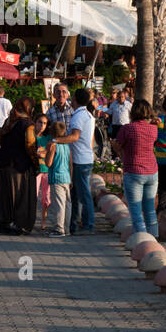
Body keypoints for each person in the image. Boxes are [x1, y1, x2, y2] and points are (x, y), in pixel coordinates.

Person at [0, 96, 39, 235]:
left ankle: (5, 222)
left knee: (5, 194)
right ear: (29, 108)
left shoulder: (8, 122)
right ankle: (20, 224)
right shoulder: (28, 124)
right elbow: (30, 145)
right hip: (20, 166)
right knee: (19, 195)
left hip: (5, 163)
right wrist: (35, 162)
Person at [53, 87, 96, 234]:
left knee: (83, 194)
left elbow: (75, 136)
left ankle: (89, 225)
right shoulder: (88, 115)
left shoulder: (79, 116)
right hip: (85, 157)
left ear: (75, 100)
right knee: (76, 194)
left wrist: (57, 140)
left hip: (80, 160)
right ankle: (74, 224)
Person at [116, 98, 159, 236]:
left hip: (134, 171)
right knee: (150, 210)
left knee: (136, 212)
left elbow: (119, 145)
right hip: (152, 172)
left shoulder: (127, 129)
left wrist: (115, 147)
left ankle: (142, 242)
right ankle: (154, 239)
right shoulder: (153, 129)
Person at [43, 120, 72, 237]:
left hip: (56, 177)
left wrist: (46, 154)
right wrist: (71, 178)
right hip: (66, 177)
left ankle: (59, 229)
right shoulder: (66, 146)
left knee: (59, 204)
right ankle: (66, 228)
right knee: (67, 204)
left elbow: (49, 163)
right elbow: (70, 163)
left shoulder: (53, 145)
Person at [33, 112, 50, 229]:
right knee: (33, 195)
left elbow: (50, 152)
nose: (42, 125)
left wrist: (42, 154)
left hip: (46, 170)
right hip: (35, 170)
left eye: (45, 123)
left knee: (46, 198)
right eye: (40, 122)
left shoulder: (48, 138)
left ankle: (43, 221)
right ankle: (31, 219)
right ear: (35, 122)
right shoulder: (31, 137)